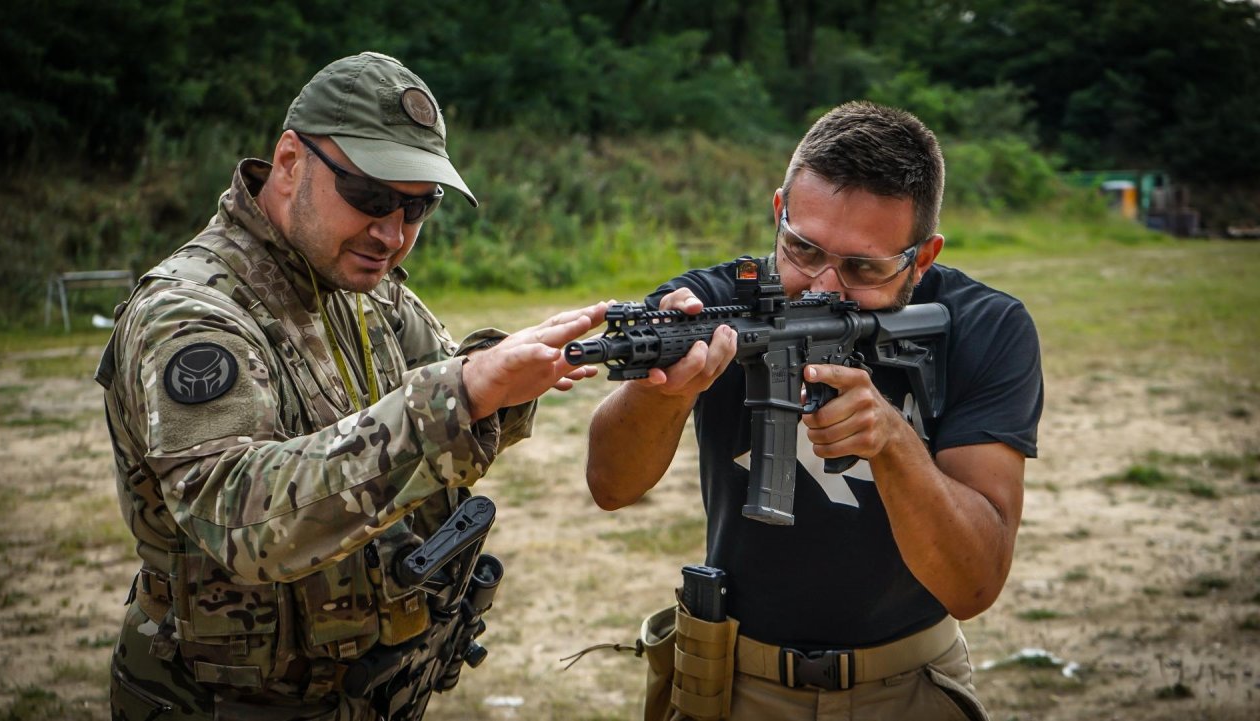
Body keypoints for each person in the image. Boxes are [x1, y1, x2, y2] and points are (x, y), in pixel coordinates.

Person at [96, 52, 608, 721]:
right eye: (369, 197)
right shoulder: (192, 313)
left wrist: (534, 364)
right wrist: (466, 392)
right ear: (289, 161)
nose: (392, 234)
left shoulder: (364, 287)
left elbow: (452, 380)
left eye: (418, 206)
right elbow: (243, 519)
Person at [585, 101, 1043, 720]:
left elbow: (975, 582)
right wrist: (658, 392)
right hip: (729, 681)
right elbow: (611, 486)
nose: (825, 285)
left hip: (908, 686)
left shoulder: (984, 327)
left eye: (862, 267)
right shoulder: (710, 307)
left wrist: (892, 442)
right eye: (803, 249)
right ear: (780, 211)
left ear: (923, 257)